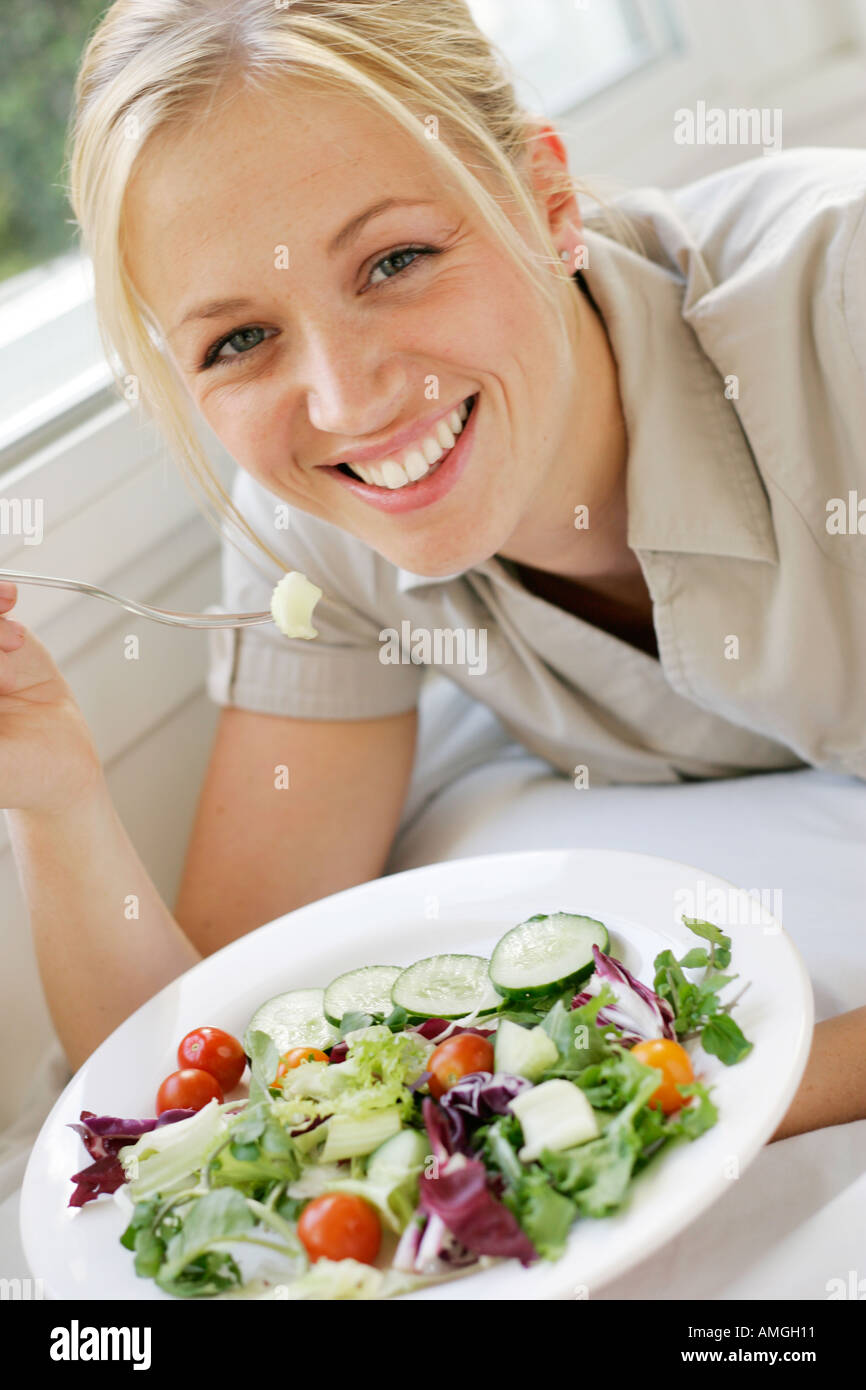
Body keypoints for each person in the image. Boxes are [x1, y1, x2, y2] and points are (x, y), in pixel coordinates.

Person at [1, 0, 864, 1144]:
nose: (347, 400)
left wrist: (628, 1123)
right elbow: (187, 1079)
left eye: (396, 260)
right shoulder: (320, 523)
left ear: (546, 203)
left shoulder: (837, 311)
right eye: (238, 341)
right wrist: (57, 799)